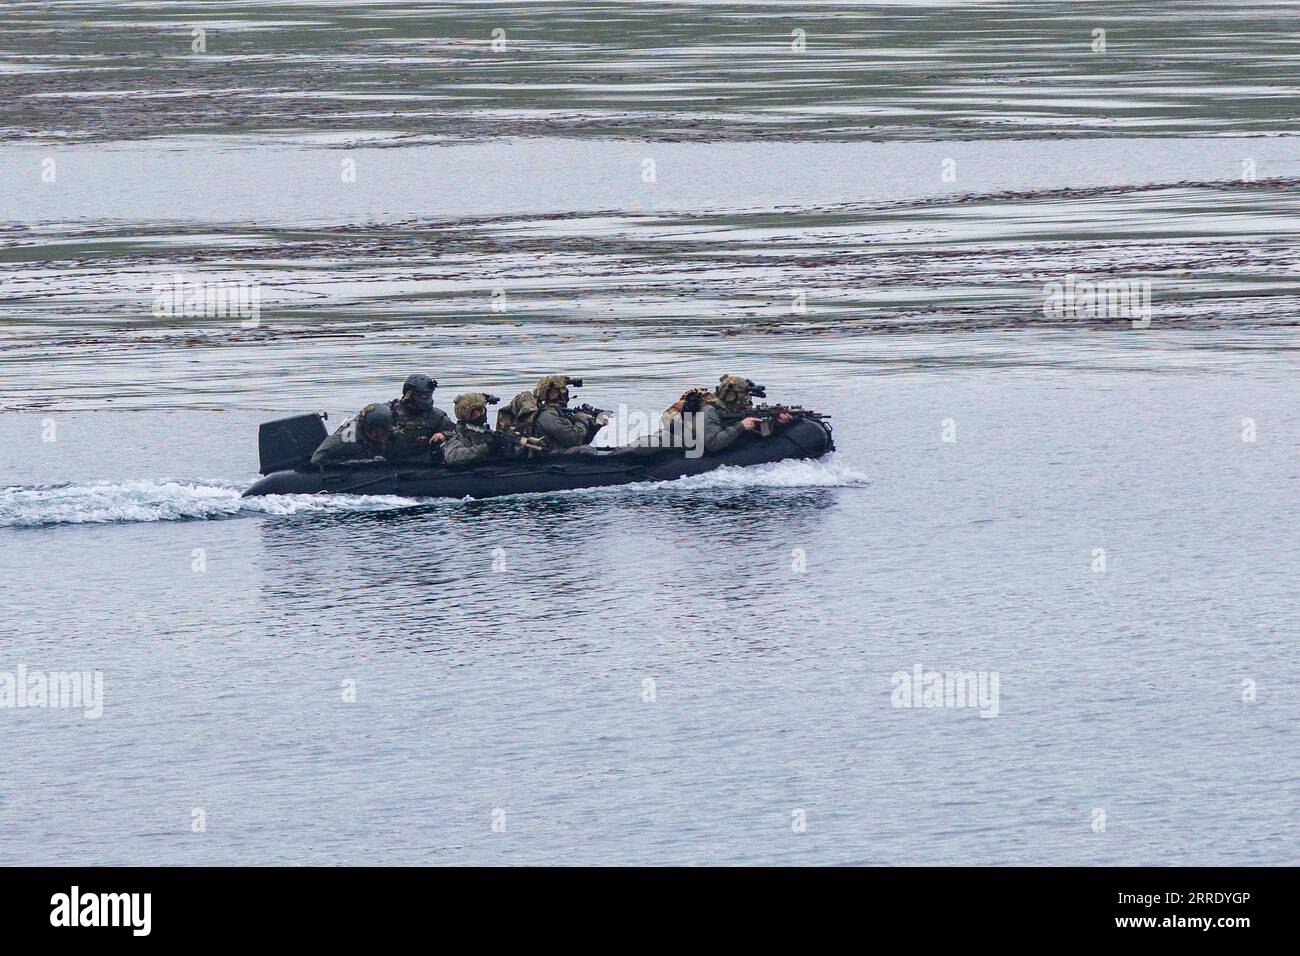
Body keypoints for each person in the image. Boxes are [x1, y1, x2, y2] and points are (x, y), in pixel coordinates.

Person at [700, 375, 793, 453]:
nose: (747, 397)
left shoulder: (737, 408)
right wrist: (741, 426)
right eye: (744, 394)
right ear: (731, 395)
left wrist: (776, 422)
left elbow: (761, 433)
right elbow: (712, 444)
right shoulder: (709, 410)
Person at [443, 392, 541, 465]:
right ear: (465, 416)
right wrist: (487, 447)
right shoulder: (460, 434)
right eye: (473, 412)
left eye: (480, 410)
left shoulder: (485, 431)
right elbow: (452, 457)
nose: (478, 414)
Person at [388, 373, 454, 462]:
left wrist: (444, 435)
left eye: (427, 395)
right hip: (393, 462)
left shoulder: (437, 417)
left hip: (425, 464)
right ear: (409, 393)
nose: (425, 399)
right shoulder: (390, 412)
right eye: (422, 395)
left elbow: (457, 434)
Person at [530, 375, 607, 449]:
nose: (566, 391)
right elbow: (574, 439)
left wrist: (595, 425)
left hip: (558, 454)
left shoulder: (559, 412)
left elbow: (582, 442)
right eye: (563, 388)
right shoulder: (548, 415)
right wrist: (582, 418)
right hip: (549, 457)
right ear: (553, 393)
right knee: (587, 450)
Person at [310, 403, 396, 465]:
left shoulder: (389, 426)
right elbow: (316, 459)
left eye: (382, 432)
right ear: (365, 428)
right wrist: (363, 462)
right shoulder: (346, 437)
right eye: (375, 431)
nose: (377, 436)